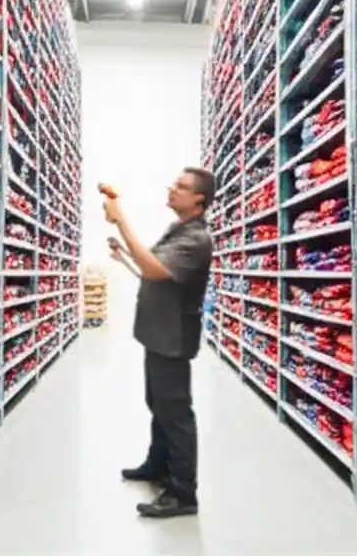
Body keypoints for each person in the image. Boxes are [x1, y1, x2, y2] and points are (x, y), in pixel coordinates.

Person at [101, 167, 215, 519]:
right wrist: (125, 257)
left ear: (198, 199)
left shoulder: (197, 239)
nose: (172, 189)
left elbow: (155, 271)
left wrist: (121, 221)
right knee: (158, 402)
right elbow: (157, 275)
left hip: (172, 336)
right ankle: (158, 463)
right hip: (158, 331)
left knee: (176, 411)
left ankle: (183, 493)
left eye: (181, 186)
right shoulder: (178, 230)